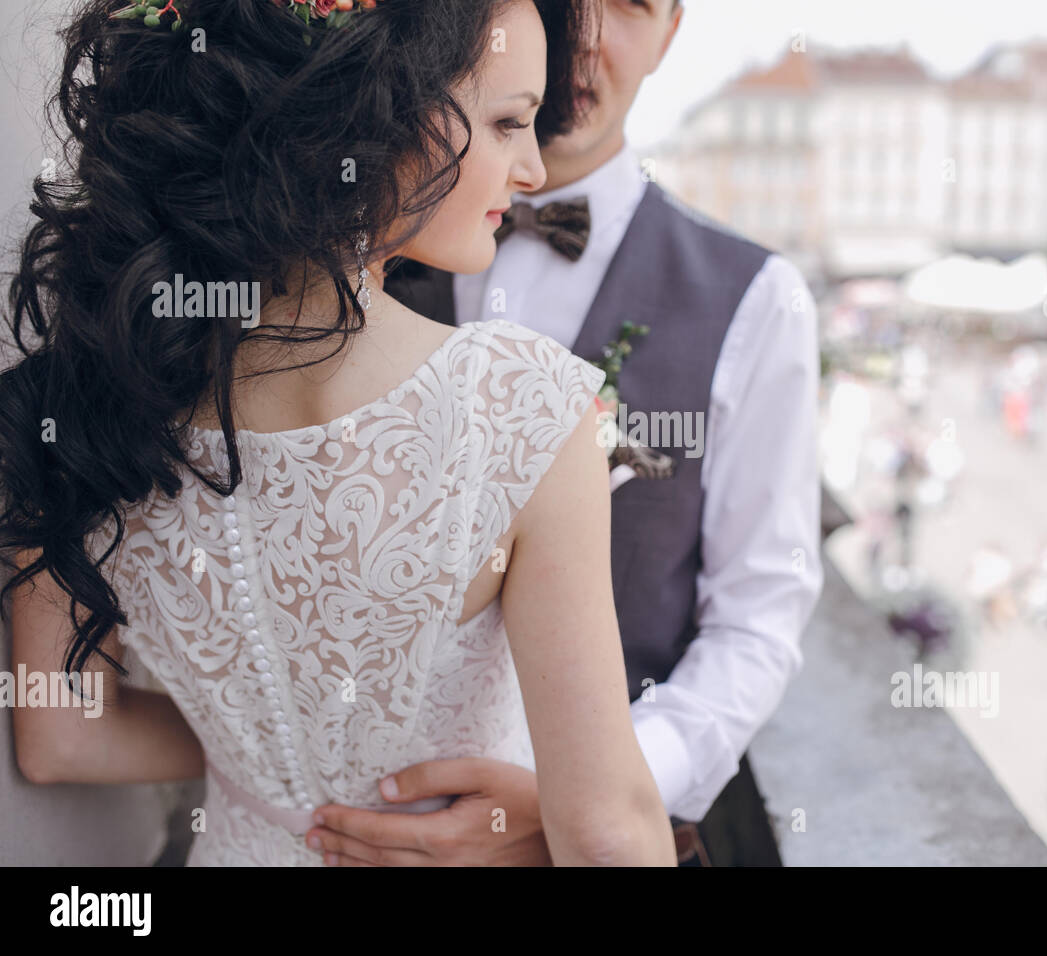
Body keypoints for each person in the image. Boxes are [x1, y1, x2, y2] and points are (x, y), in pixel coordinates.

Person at [4, 0, 675, 866]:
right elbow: (611, 833)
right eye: (508, 122)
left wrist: (262, 761)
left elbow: (61, 743)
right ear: (368, 115)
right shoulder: (525, 404)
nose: (535, 168)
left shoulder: (69, 409)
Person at [344, 0, 825, 866]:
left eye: (631, 4)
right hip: (364, 820)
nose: (588, 36)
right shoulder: (349, 255)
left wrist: (587, 789)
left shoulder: (758, 299)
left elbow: (758, 617)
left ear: (672, 31)